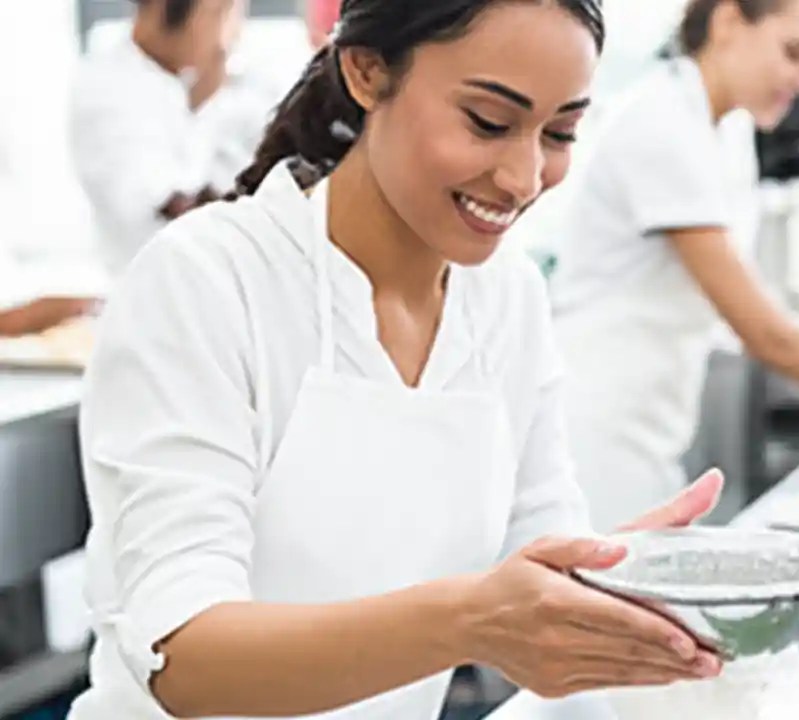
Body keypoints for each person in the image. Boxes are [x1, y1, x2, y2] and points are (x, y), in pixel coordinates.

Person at [70, 2, 728, 718]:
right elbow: (185, 659)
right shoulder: (207, 281)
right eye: (487, 122)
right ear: (366, 70)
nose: (523, 177)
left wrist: (611, 585)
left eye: (560, 132)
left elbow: (543, 539)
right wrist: (470, 620)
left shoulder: (505, 298)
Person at [550, 0, 799, 530]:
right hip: (598, 420)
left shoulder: (726, 129)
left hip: (652, 416)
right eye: (793, 53)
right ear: (727, 23)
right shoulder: (660, 124)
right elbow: (765, 334)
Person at [70, 0, 256, 275]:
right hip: (152, 284)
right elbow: (172, 211)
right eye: (219, 13)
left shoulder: (191, 84)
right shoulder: (110, 91)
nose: (230, 35)